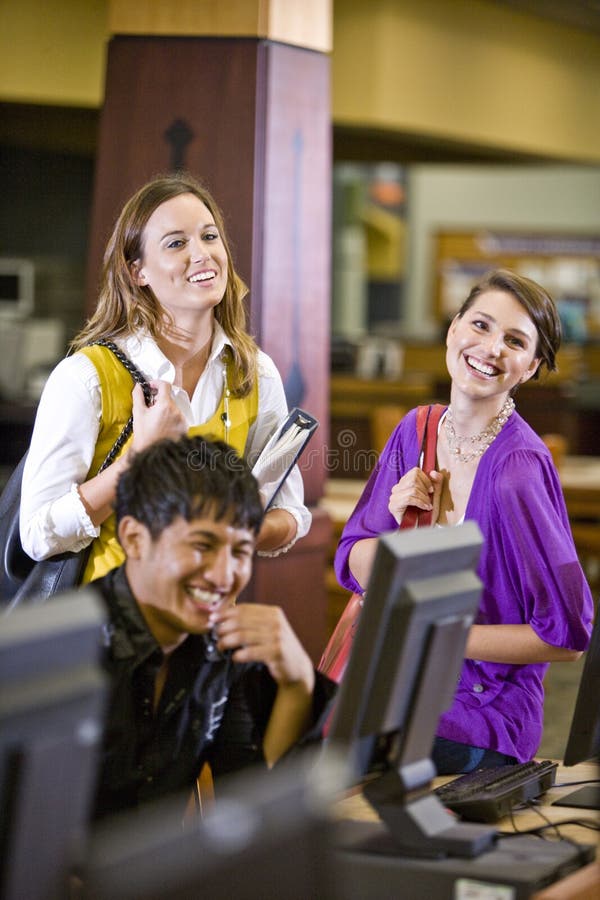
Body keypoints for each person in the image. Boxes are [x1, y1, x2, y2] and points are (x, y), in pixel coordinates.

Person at [334, 268, 594, 775]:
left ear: (531, 367)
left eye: (514, 341)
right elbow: (353, 559)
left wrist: (439, 633)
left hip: (482, 710)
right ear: (454, 330)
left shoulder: (517, 470)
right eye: (481, 325)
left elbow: (567, 636)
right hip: (394, 682)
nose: (491, 347)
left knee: (343, 763)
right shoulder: (416, 429)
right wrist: (393, 520)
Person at [19, 172, 310, 584]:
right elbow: (36, 535)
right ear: (138, 271)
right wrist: (139, 457)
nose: (203, 254)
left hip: (205, 626)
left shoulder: (255, 372)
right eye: (176, 243)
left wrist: (230, 529)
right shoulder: (85, 378)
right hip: (108, 634)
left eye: (210, 237)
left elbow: (290, 511)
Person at [91, 434, 335, 819]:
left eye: (240, 551)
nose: (224, 575)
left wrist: (296, 683)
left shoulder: (219, 645)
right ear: (134, 538)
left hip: (156, 876)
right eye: (202, 546)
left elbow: (257, 814)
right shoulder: (64, 651)